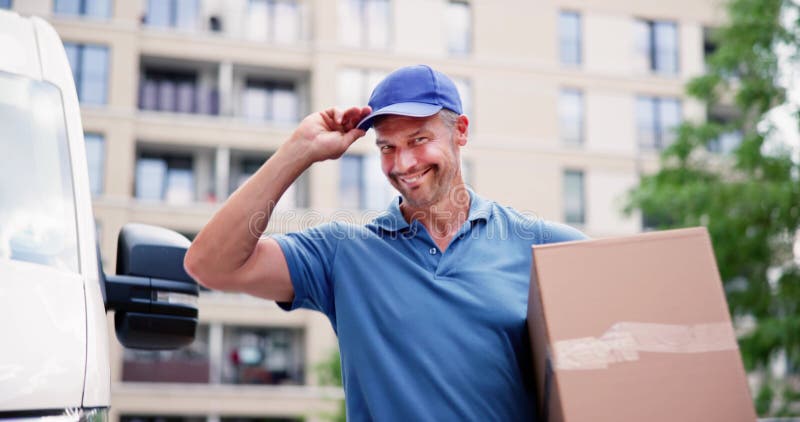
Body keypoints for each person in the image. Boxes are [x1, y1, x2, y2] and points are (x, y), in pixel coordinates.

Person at [185, 64, 586, 420]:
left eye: (419, 140)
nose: (403, 163)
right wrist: (299, 151)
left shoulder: (542, 245)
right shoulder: (344, 253)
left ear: (460, 131)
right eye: (387, 147)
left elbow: (611, 350)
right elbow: (209, 265)